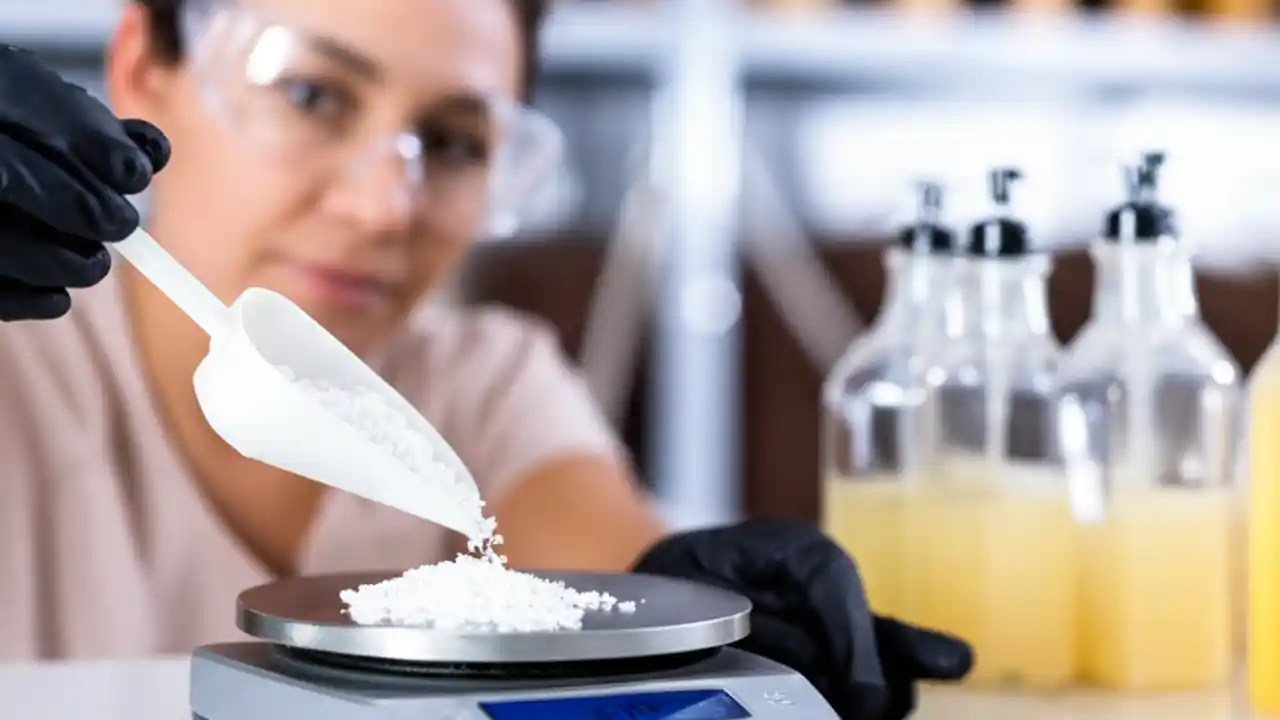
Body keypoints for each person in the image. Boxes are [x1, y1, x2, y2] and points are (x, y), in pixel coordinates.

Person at [0, 0, 970, 716]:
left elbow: (595, 557)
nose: (385, 207)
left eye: (455, 142)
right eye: (311, 94)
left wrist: (701, 609)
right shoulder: (19, 359)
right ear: (143, 68)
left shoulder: (484, 378)